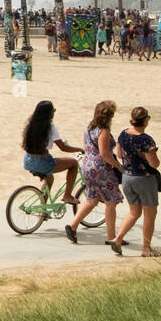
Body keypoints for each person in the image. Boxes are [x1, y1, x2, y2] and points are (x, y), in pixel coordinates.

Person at [66, 100, 122, 243]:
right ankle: (111, 237)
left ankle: (73, 226)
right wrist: (118, 166)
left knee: (92, 199)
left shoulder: (89, 128)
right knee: (111, 202)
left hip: (87, 165)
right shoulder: (103, 131)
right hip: (100, 168)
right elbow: (104, 154)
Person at [111, 107, 161, 257]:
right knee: (149, 214)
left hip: (127, 177)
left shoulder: (123, 134)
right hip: (144, 179)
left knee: (134, 213)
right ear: (145, 120)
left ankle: (117, 239)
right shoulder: (145, 139)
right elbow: (154, 164)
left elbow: (119, 154)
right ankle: (146, 248)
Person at [20, 100, 82, 204]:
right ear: (50, 113)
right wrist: (80, 149)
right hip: (43, 162)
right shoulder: (50, 128)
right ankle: (67, 196)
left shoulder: (30, 125)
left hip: (28, 161)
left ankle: (43, 208)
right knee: (74, 163)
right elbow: (63, 148)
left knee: (49, 179)